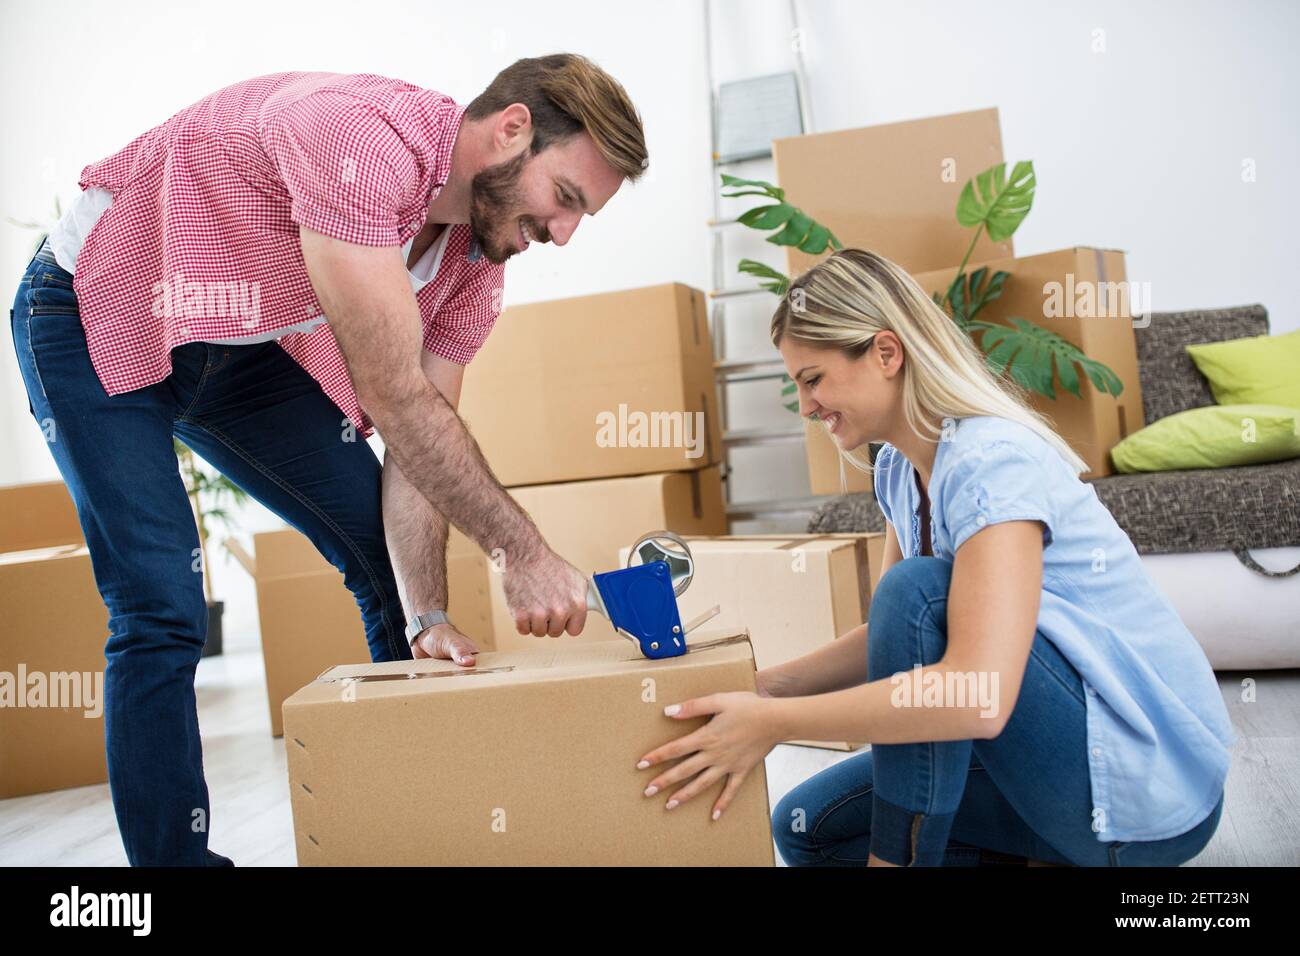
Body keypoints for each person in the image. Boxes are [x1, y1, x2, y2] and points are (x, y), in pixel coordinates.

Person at [9, 56, 647, 866]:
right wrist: (519, 550)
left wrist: (429, 616)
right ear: (511, 130)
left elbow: (419, 444)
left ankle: (417, 836)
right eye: (566, 199)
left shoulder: (475, 267)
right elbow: (394, 399)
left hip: (224, 346)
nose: (564, 234)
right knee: (161, 606)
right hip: (90, 309)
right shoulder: (361, 142)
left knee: (390, 569)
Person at [634, 248, 1235, 867]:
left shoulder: (991, 461)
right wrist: (758, 689)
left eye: (812, 379)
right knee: (808, 830)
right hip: (1043, 760)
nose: (807, 406)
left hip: (1140, 785)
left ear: (886, 354)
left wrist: (774, 724)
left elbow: (979, 694)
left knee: (916, 590)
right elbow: (892, 637)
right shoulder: (898, 469)